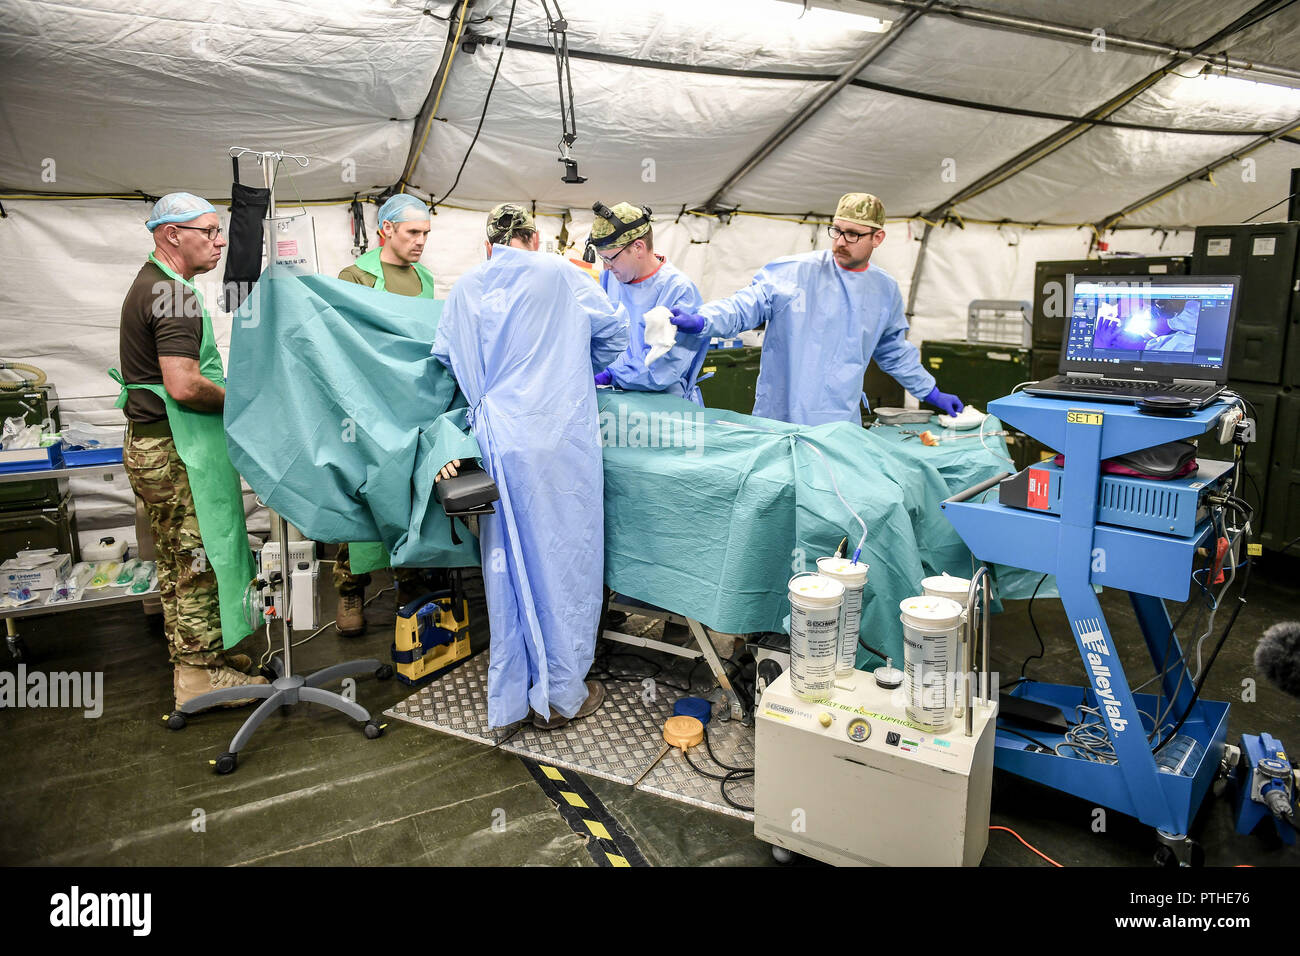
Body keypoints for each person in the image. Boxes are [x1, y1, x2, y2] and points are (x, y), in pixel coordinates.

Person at [432, 203, 628, 730]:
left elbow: (446, 358)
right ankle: (562, 695)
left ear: (489, 241)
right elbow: (613, 335)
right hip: (557, 439)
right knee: (563, 566)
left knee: (508, 570)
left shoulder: (463, 289)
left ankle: (513, 695)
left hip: (497, 443)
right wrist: (564, 365)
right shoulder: (561, 274)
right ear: (532, 236)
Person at [116, 192, 266, 709]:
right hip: (173, 448)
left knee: (181, 559)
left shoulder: (156, 283)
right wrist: (243, 402)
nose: (220, 241)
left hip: (153, 445)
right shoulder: (173, 295)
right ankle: (198, 678)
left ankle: (201, 658)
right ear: (171, 234)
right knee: (196, 559)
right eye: (208, 231)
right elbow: (183, 386)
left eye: (220, 230)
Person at [668, 193, 963, 426]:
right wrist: (703, 319)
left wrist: (930, 391)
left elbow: (893, 351)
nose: (840, 242)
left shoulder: (884, 291)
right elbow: (743, 306)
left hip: (838, 421)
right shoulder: (793, 273)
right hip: (781, 417)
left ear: (878, 238)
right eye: (836, 230)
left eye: (853, 234)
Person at [333, 193, 441, 635]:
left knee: (410, 493)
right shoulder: (354, 276)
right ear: (386, 230)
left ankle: (409, 583)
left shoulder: (426, 281)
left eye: (426, 234)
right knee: (362, 493)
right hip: (366, 404)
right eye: (413, 232)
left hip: (410, 406)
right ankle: (349, 588)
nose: (420, 242)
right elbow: (344, 344)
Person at [588, 202, 708, 403]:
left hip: (665, 407)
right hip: (617, 400)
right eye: (602, 259)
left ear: (638, 247)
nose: (607, 267)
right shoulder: (610, 280)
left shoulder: (678, 290)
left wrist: (612, 374)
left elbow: (664, 368)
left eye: (611, 258)